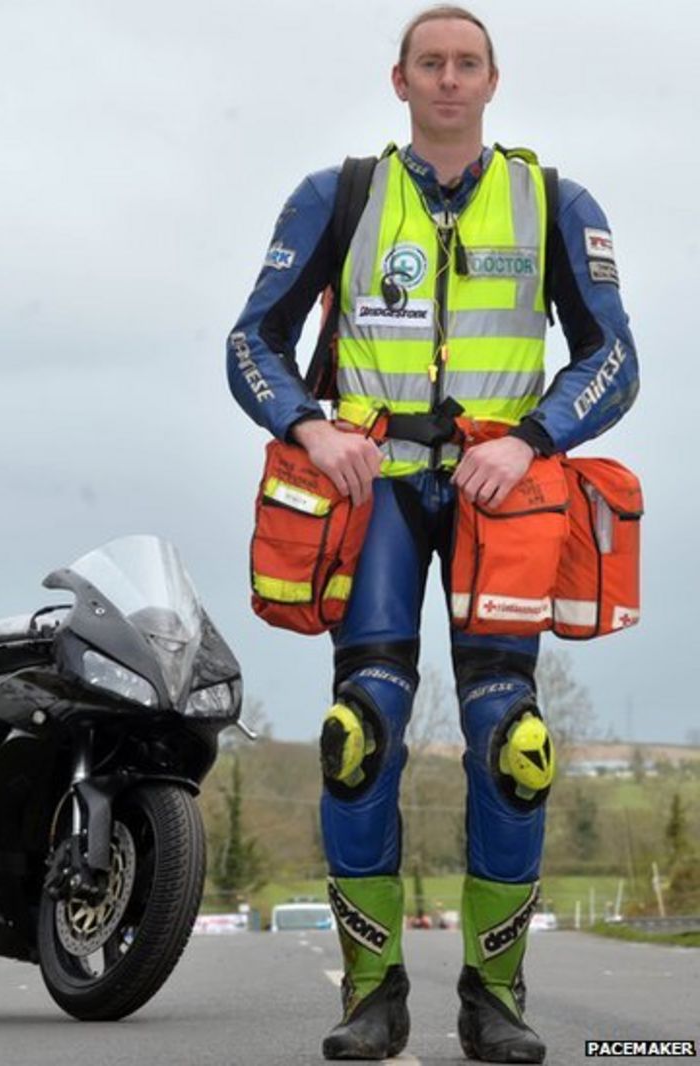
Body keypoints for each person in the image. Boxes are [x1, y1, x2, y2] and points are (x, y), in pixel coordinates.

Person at [227, 6, 639, 1062]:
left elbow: (613, 358)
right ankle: (372, 995)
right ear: (399, 81)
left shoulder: (554, 202)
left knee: (515, 748)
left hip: (504, 497)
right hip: (374, 495)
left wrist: (535, 438)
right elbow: (252, 341)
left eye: (466, 63)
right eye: (430, 63)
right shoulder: (336, 196)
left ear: (492, 81)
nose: (448, 79)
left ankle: (494, 997)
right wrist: (310, 427)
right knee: (356, 736)